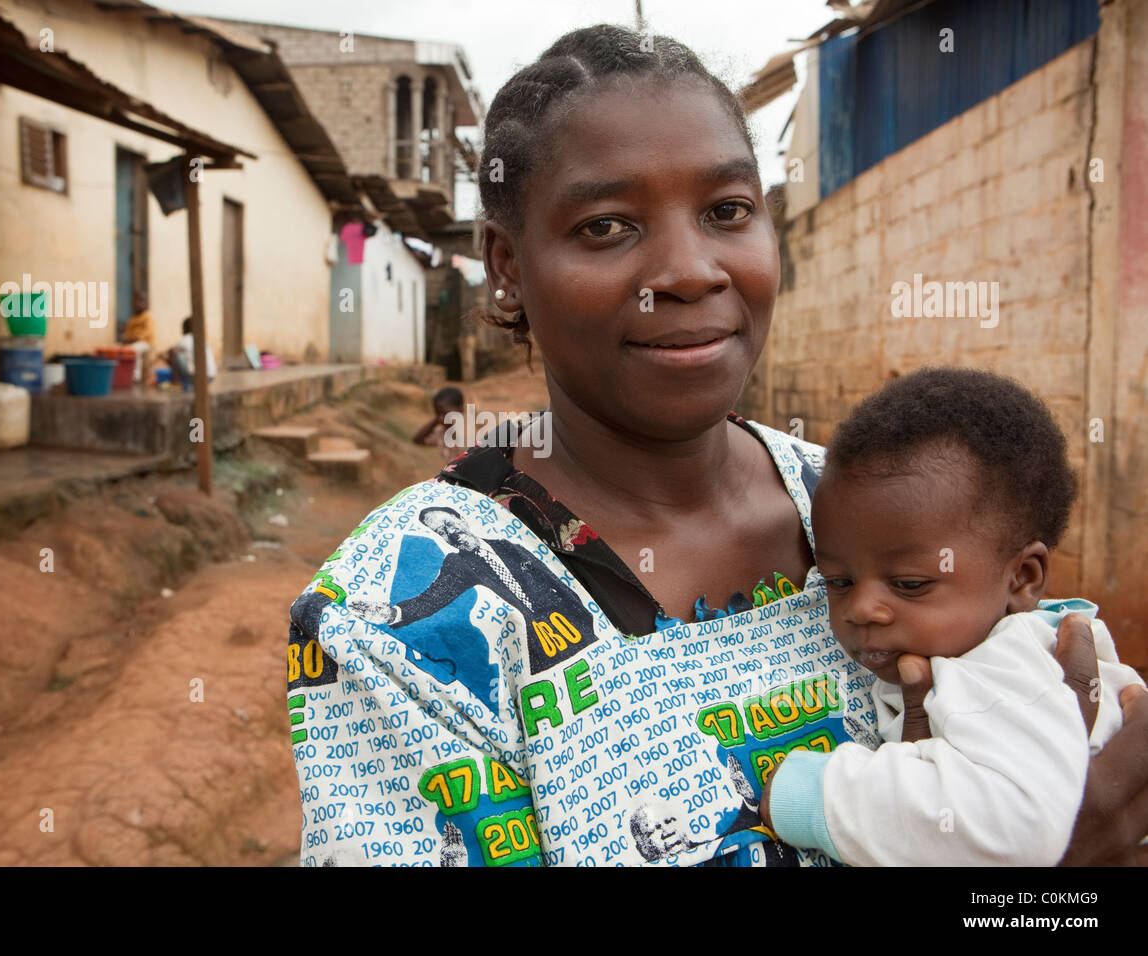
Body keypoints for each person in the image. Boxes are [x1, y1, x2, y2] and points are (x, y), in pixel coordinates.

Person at [285, 24, 1148, 867]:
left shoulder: (883, 514)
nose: (691, 270)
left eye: (728, 210)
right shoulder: (394, 624)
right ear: (507, 264)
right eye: (607, 226)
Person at [759, 368, 1147, 866]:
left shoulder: (1004, 666)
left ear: (1022, 578)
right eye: (839, 582)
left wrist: (810, 795)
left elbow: (1017, 825)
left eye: (910, 585)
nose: (861, 609)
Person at [411, 387, 467, 464]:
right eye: (438, 414)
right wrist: (435, 421)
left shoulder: (473, 433)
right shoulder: (441, 435)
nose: (441, 418)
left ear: (460, 409)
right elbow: (418, 440)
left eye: (445, 413)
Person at [168, 316, 216, 387]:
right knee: (183, 355)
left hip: (194, 377)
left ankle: (176, 383)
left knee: (175, 354)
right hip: (211, 376)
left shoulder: (185, 339)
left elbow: (171, 351)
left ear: (184, 328)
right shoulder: (204, 340)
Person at [122, 291, 157, 385]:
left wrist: (133, 339)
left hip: (146, 343)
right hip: (133, 342)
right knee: (120, 350)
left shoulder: (147, 317)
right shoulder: (132, 319)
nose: (139, 304)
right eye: (137, 301)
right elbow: (127, 335)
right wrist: (126, 340)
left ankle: (135, 377)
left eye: (142, 301)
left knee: (134, 349)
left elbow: (146, 333)